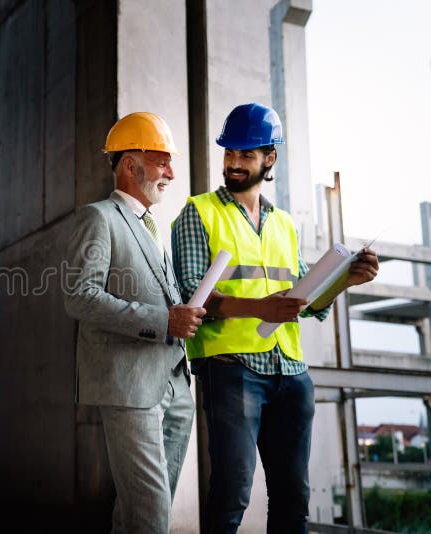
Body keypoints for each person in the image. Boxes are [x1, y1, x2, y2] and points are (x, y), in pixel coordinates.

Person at [171, 102, 379, 533]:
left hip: (290, 371)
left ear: (270, 159)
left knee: (293, 498)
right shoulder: (199, 212)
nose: (233, 162)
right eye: (229, 153)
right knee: (232, 494)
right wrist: (260, 308)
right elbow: (194, 297)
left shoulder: (284, 223)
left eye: (245, 155)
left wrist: (345, 280)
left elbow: (310, 303)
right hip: (232, 368)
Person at [63, 112, 206, 533]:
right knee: (150, 514)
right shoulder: (99, 218)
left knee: (137, 514)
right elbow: (80, 296)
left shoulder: (152, 226)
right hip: (131, 387)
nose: (171, 174)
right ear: (130, 164)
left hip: (174, 384)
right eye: (162, 162)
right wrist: (163, 321)